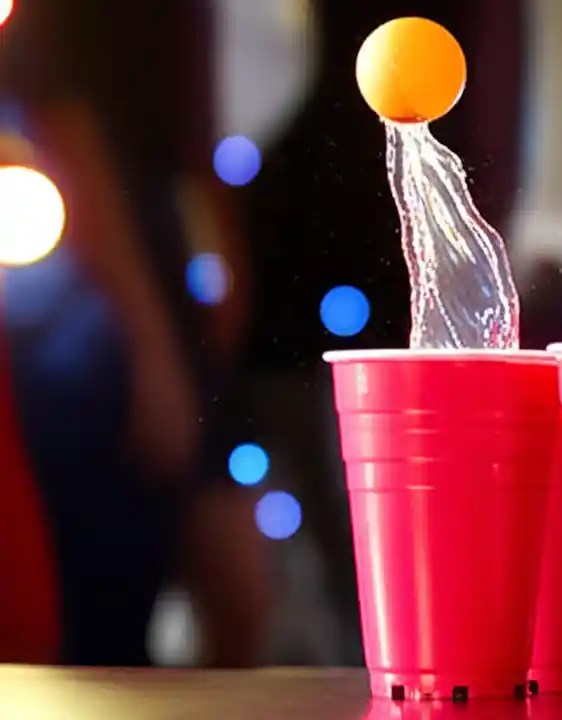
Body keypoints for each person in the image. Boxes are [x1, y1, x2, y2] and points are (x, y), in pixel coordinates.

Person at [0, 0, 266, 665]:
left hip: (164, 263)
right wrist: (150, 350)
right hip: (92, 304)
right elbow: (64, 120)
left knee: (235, 589)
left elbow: (188, 120)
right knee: (105, 624)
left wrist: (217, 242)